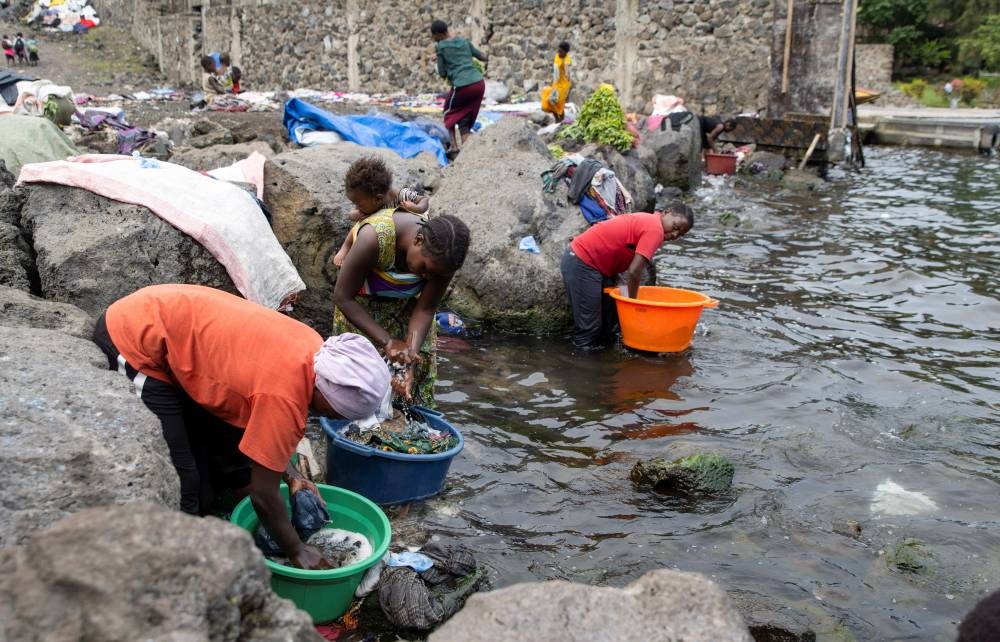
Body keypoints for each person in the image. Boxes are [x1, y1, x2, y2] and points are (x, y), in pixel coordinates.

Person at [92, 284, 391, 570]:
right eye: (339, 413)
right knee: (185, 482)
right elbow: (263, 495)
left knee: (228, 455)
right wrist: (298, 551)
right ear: (327, 394)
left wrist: (293, 476)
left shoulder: (318, 353)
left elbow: (260, 427)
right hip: (136, 338)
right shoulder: (285, 396)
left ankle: (218, 506)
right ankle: (183, 565)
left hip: (172, 318)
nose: (337, 420)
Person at [333, 199, 470, 407]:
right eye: (424, 268)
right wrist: (388, 342)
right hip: (360, 311)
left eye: (435, 275)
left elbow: (425, 308)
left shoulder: (444, 261)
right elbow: (343, 297)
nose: (427, 277)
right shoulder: (374, 238)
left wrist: (410, 354)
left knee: (410, 392)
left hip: (408, 311)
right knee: (357, 388)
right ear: (418, 241)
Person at [560, 203, 694, 350]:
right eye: (675, 227)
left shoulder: (649, 221)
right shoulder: (655, 229)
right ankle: (580, 366)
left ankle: (602, 361)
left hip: (599, 268)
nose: (675, 234)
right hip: (582, 262)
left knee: (610, 322)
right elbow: (634, 271)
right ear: (666, 212)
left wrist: (620, 284)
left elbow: (619, 246)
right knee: (589, 328)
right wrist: (634, 304)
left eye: (680, 234)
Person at [333, 157, 430, 268]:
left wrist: (417, 208)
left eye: (359, 204)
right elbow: (351, 215)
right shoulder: (369, 204)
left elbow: (424, 200)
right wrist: (354, 215)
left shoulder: (401, 196)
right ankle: (345, 248)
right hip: (379, 237)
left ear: (378, 199)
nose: (356, 207)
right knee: (357, 226)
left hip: (398, 236)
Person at [431, 19, 488, 152]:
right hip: (479, 84)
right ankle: (468, 152)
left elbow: (442, 72)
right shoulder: (464, 42)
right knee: (464, 120)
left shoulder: (440, 47)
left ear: (438, 34)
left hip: (464, 85)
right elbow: (481, 56)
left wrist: (439, 58)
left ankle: (454, 147)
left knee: (448, 111)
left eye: (433, 35)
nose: (432, 38)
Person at [541, 41, 572, 123]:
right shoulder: (557, 56)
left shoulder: (566, 60)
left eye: (561, 51)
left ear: (565, 52)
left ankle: (561, 120)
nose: (559, 52)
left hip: (564, 85)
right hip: (556, 83)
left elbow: (567, 71)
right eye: (558, 50)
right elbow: (555, 72)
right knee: (549, 99)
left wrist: (568, 76)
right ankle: (557, 119)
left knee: (559, 103)